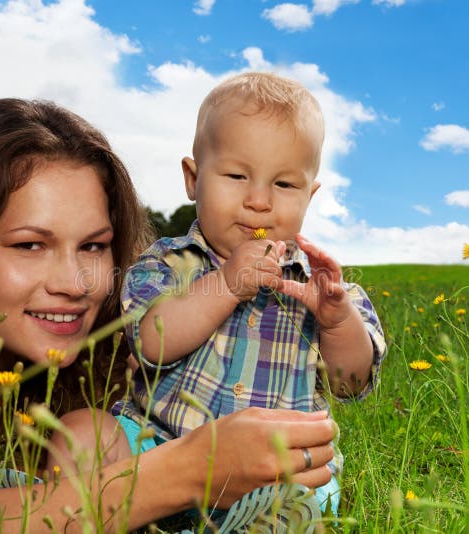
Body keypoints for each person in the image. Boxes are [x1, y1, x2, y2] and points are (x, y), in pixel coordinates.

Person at [0, 98, 337, 532]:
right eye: (29, 245)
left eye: (94, 246)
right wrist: (186, 471)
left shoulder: (97, 347)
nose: (75, 284)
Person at [115, 72, 387, 514]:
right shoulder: (166, 263)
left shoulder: (324, 288)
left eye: (284, 184)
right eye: (237, 175)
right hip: (154, 446)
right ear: (193, 177)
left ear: (309, 196)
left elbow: (351, 384)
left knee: (307, 503)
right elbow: (149, 344)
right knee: (85, 432)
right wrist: (225, 285)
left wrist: (336, 322)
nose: (259, 201)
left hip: (274, 473)